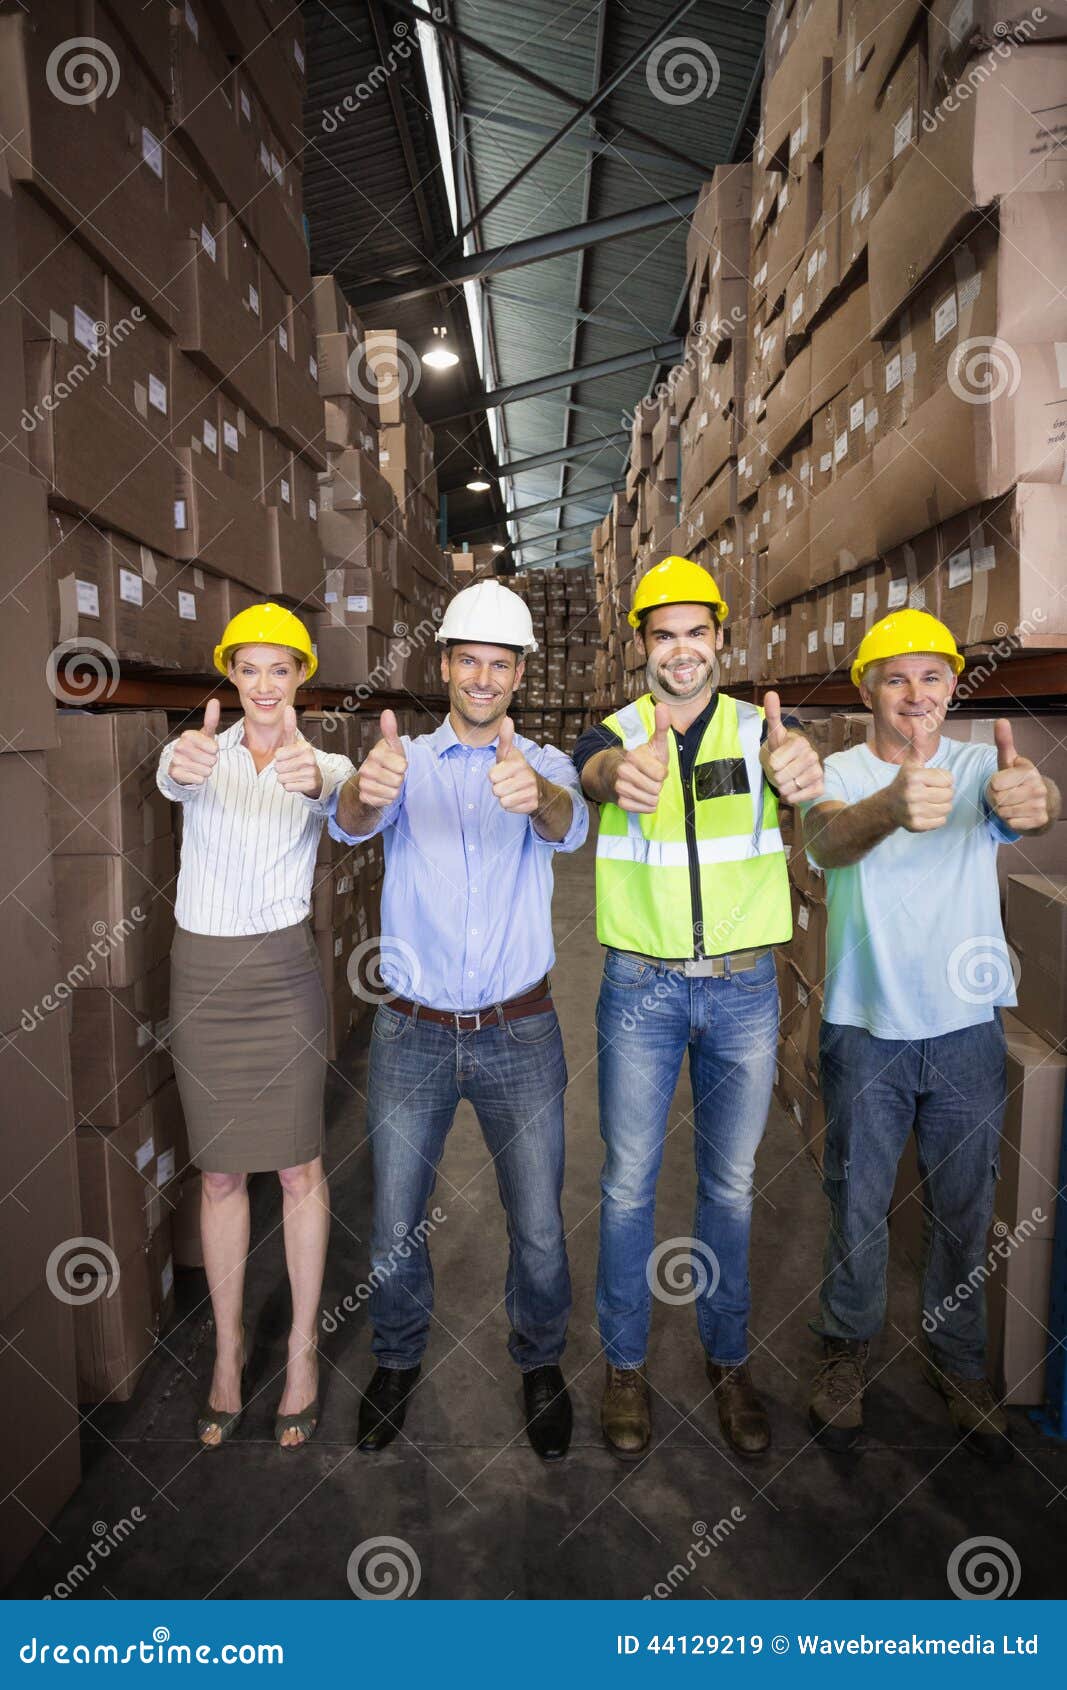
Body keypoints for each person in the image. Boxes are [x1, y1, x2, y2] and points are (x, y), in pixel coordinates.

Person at [329, 578, 589, 1460]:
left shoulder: (541, 764)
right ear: (444, 666)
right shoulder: (403, 763)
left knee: (540, 1222)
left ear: (518, 675)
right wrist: (366, 790)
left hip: (521, 1031)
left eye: (499, 665)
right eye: (468, 661)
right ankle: (396, 1360)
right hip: (412, 1033)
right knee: (396, 1216)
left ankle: (540, 1363)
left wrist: (536, 798)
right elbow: (353, 821)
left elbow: (568, 824)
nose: (483, 678)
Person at [574, 555, 824, 1460]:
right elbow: (591, 771)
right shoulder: (613, 730)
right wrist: (612, 773)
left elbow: (806, 782)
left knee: (728, 1186)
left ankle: (727, 1358)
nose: (681, 651)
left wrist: (801, 764)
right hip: (639, 989)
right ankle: (625, 1366)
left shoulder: (765, 731)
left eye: (696, 633)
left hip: (745, 991)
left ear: (719, 640)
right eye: (663, 634)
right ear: (641, 644)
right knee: (626, 1185)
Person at [800, 609, 1060, 1462]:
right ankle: (844, 1353)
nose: (916, 695)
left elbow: (1022, 808)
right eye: (896, 678)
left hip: (963, 1034)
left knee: (960, 1211)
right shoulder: (833, 767)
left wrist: (1038, 802)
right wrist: (891, 802)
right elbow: (828, 841)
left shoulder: (984, 763)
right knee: (857, 1205)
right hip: (862, 1027)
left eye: (933, 678)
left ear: (954, 686)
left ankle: (956, 1365)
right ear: (867, 689)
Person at [157, 603, 354, 1451]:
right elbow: (172, 774)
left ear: (301, 677)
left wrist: (334, 787)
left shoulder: (324, 763)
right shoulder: (197, 753)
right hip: (203, 976)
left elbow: (354, 810)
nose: (265, 686)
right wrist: (178, 757)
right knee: (222, 1178)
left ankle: (303, 1351)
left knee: (300, 1168)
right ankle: (229, 1353)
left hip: (282, 977)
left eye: (282, 669)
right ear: (230, 677)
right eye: (250, 669)